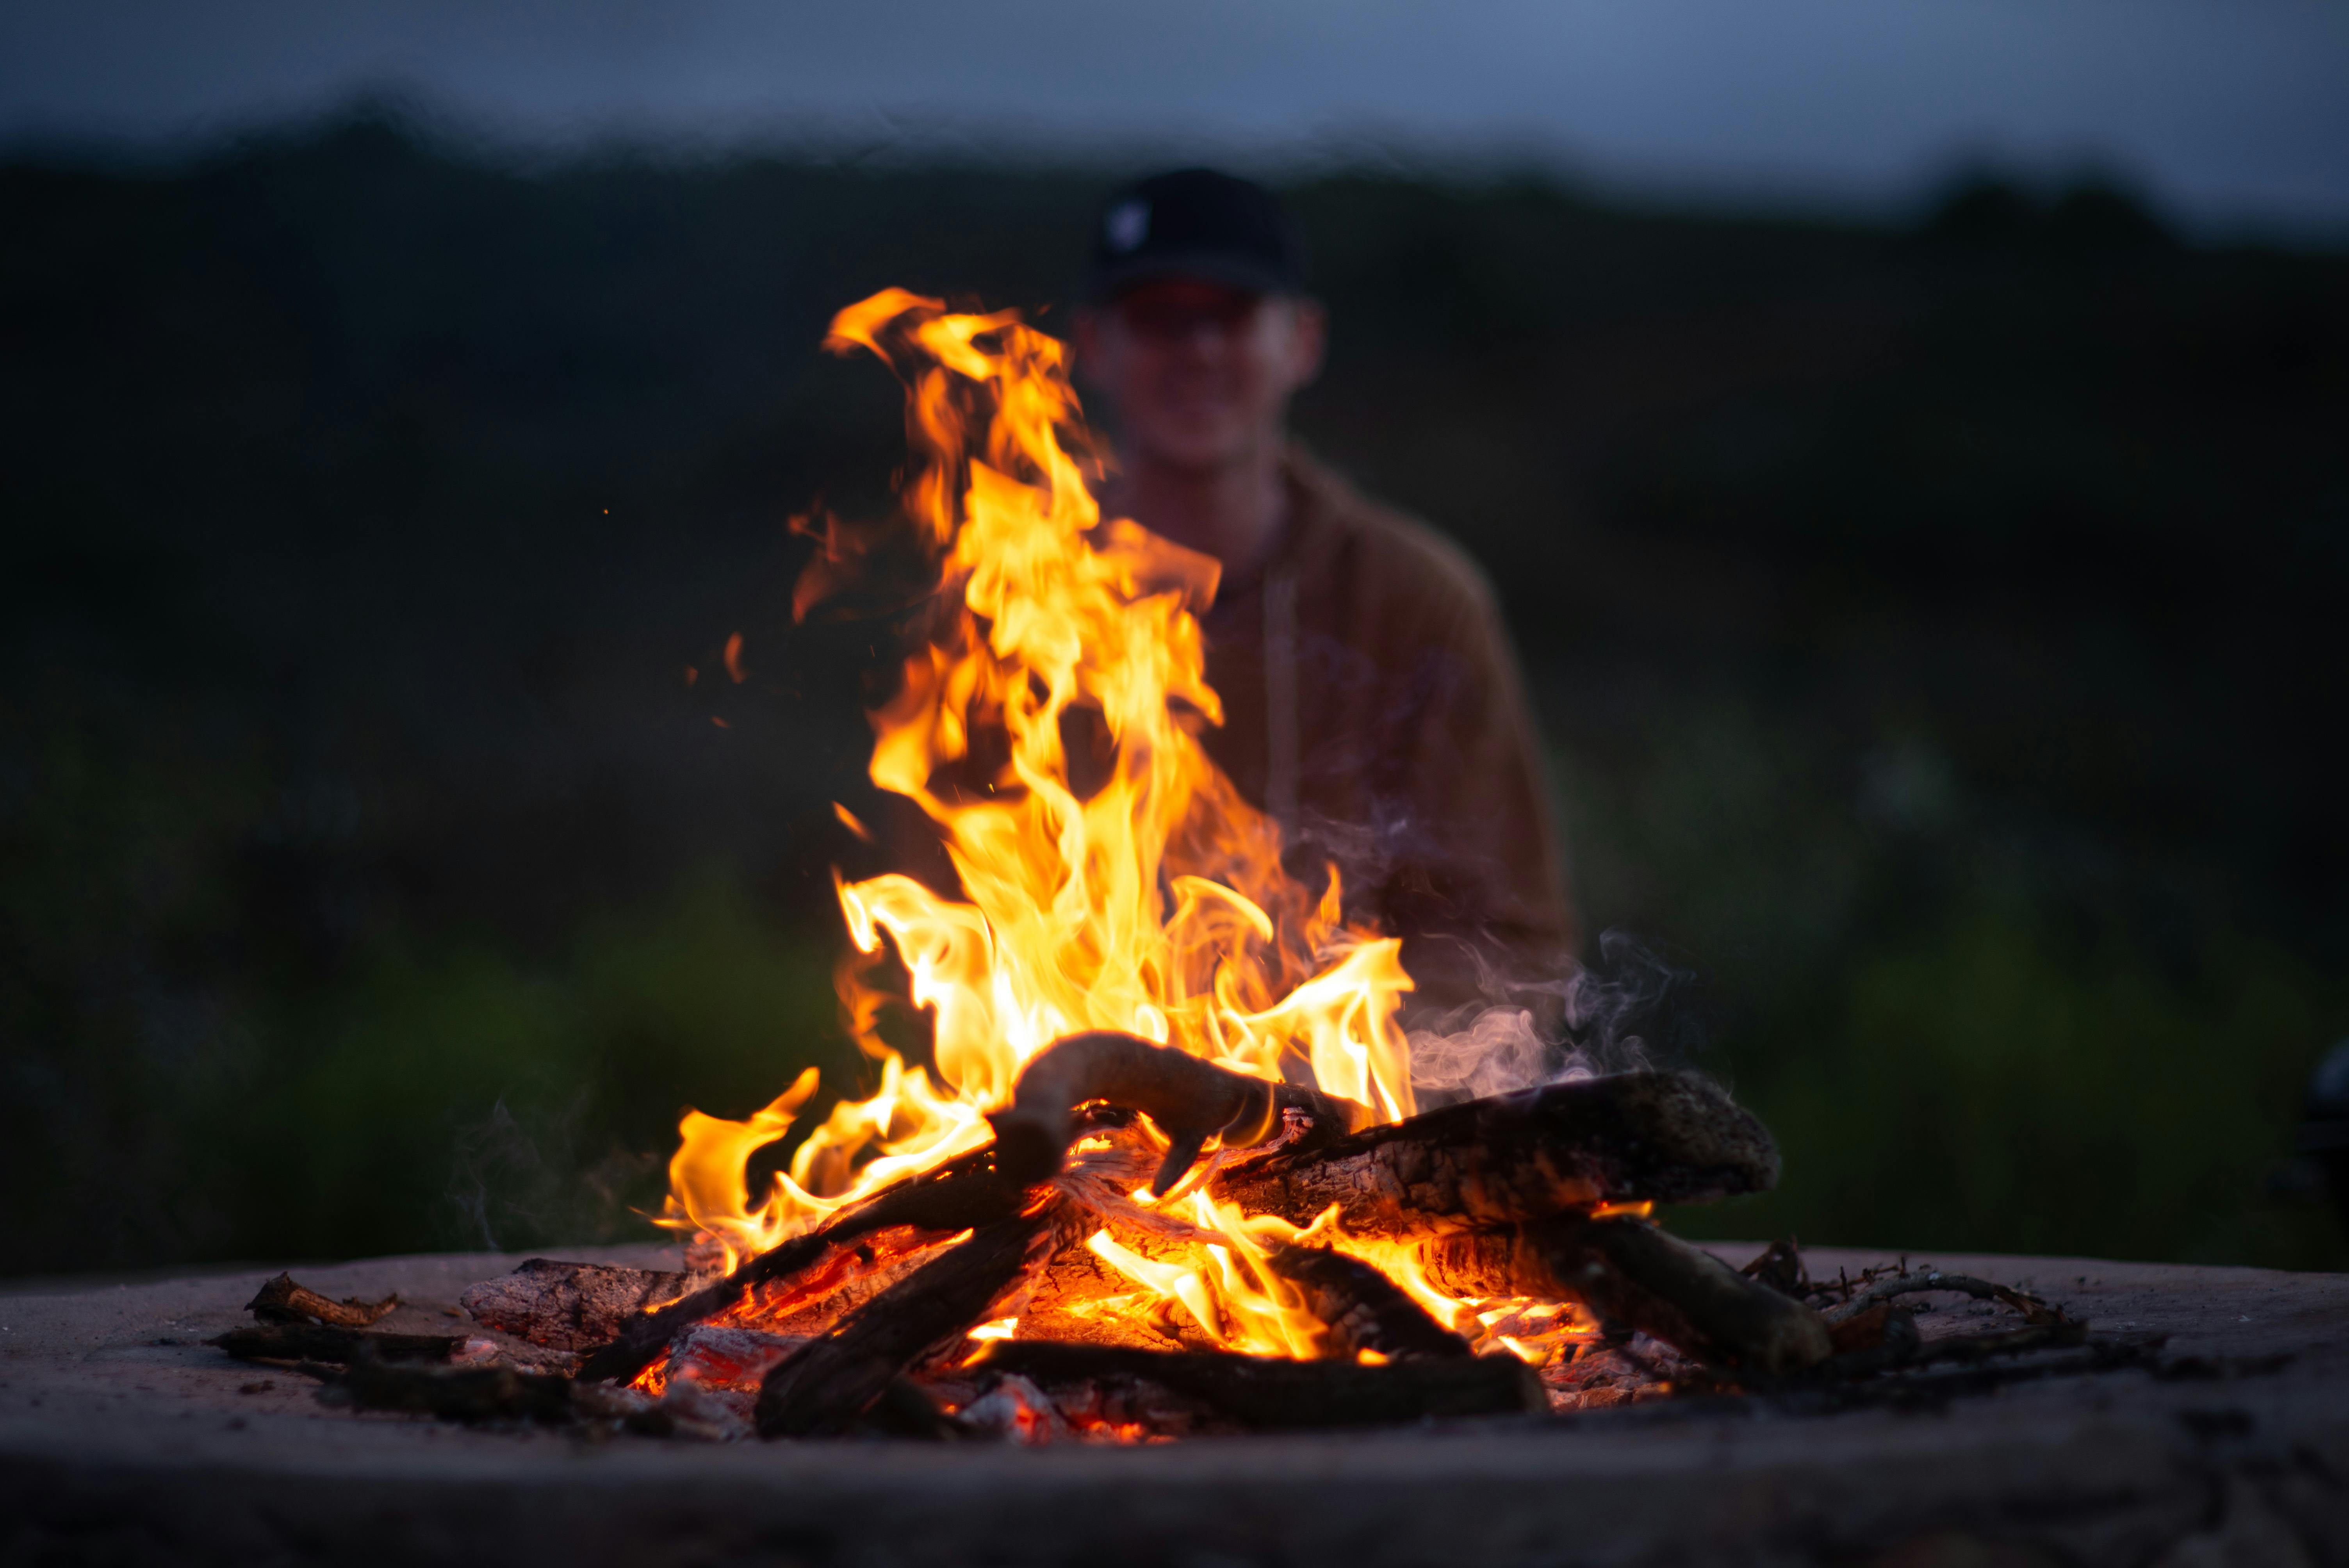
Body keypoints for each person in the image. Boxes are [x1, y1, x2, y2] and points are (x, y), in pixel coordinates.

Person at [1071, 167, 1577, 1017]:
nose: (1195, 348)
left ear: (1300, 341)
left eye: (1229, 313)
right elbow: (944, 924)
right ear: (1094, 345)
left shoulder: (1417, 603)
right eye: (1157, 317)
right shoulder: (1011, 608)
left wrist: (1309, 1087)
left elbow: (1516, 949)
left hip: (1357, 1125)